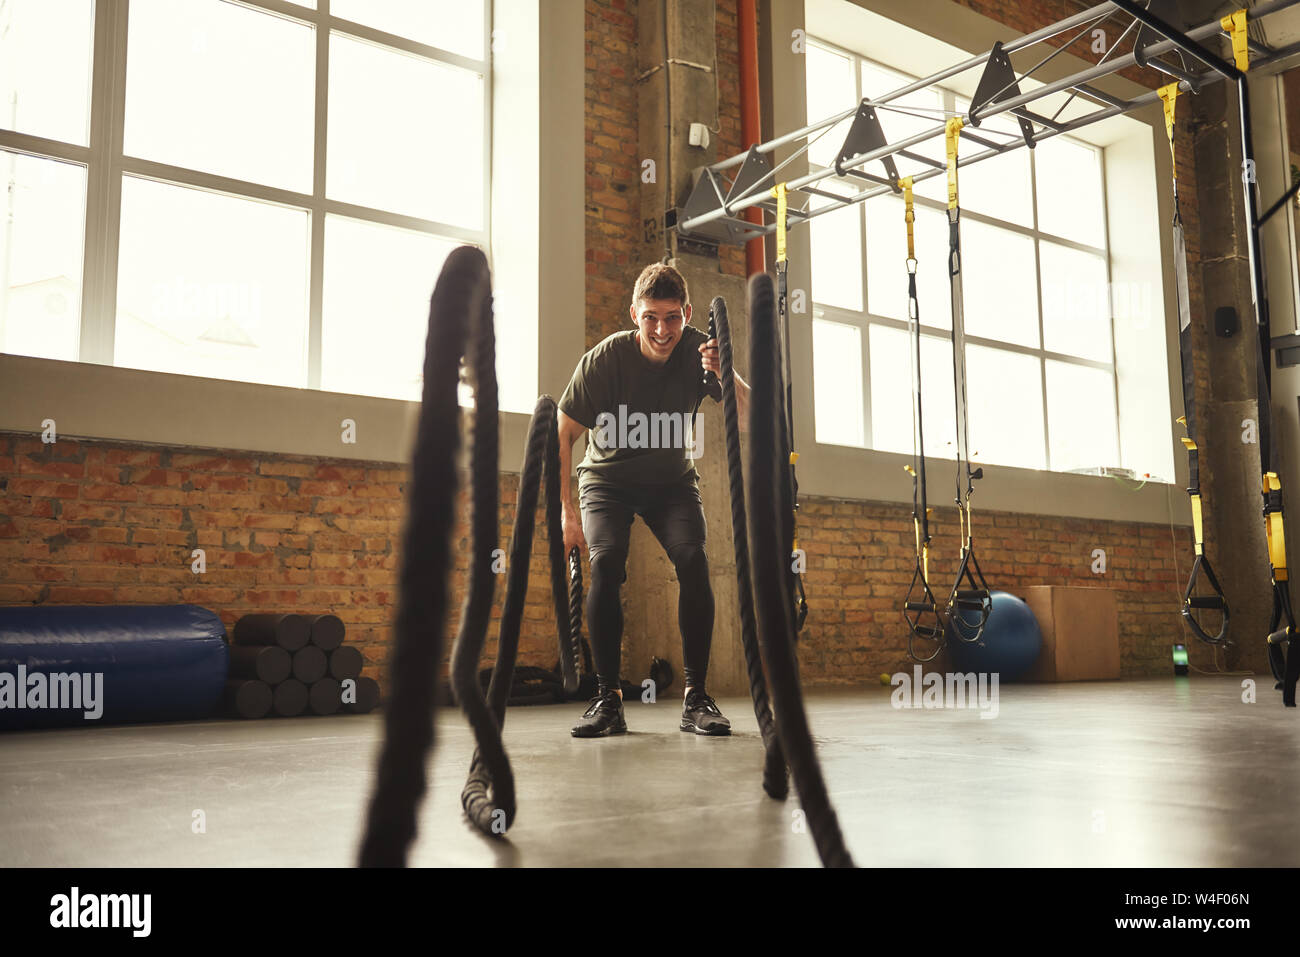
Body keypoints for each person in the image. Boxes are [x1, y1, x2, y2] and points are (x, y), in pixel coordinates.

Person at [557, 263, 751, 737]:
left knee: (693, 561)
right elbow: (560, 437)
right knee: (606, 565)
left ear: (685, 313)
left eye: (671, 318)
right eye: (650, 318)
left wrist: (726, 372)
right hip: (606, 482)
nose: (661, 330)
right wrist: (567, 514)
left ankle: (696, 698)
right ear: (634, 315)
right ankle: (607, 699)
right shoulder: (605, 360)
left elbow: (750, 420)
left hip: (671, 484)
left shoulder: (700, 351)